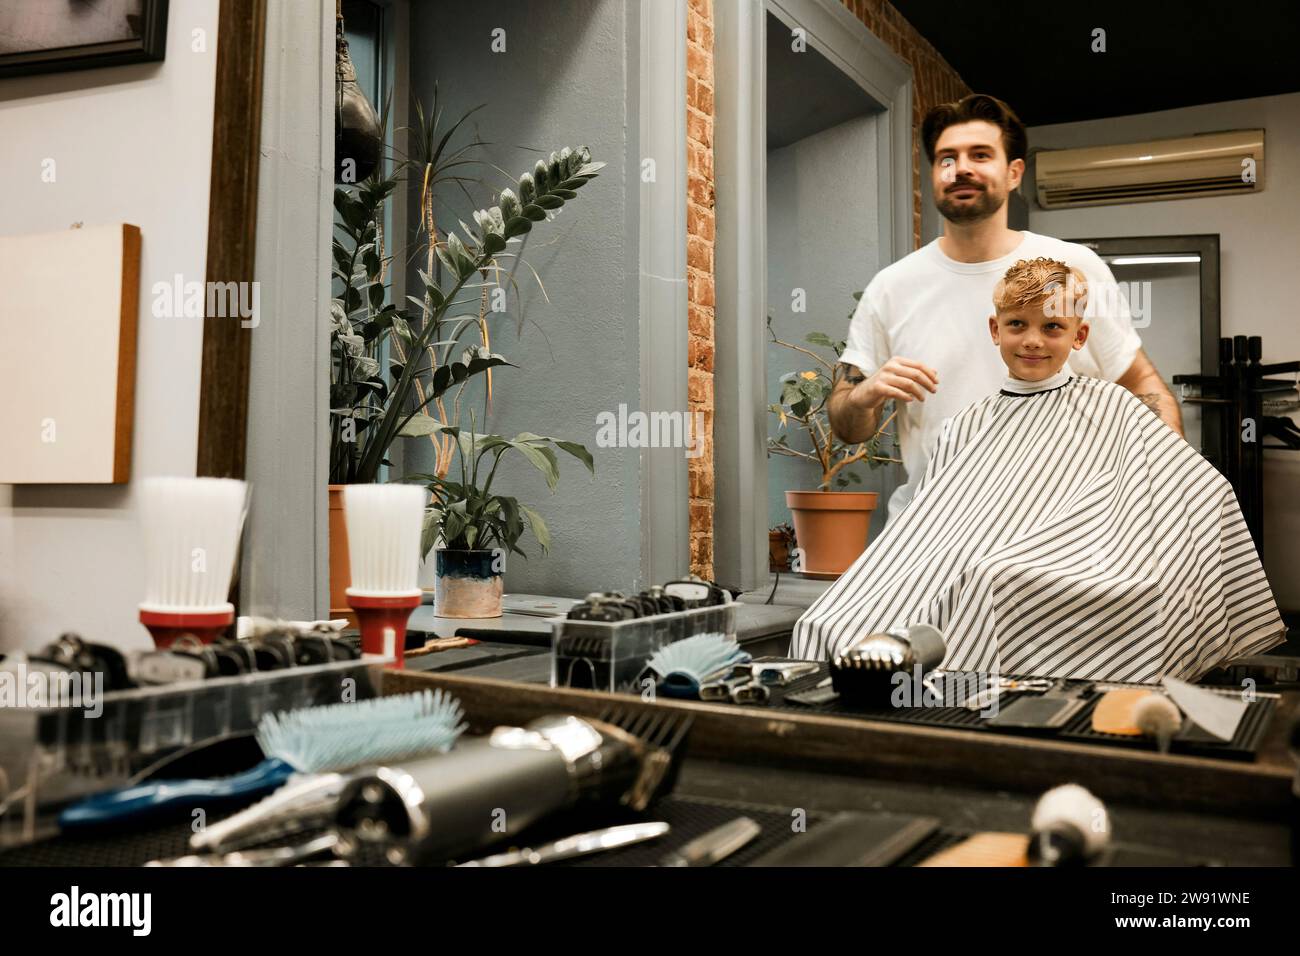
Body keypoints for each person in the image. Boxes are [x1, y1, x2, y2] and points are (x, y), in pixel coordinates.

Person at [790, 258, 1283, 683]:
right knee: (827, 622)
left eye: (1052, 327)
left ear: (1079, 335)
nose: (1033, 341)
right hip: (959, 570)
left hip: (1065, 569)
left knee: (991, 581)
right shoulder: (966, 425)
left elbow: (1199, 488)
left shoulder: (1113, 406)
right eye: (1018, 325)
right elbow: (931, 529)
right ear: (995, 329)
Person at [829, 93, 1183, 525]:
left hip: (1055, 535)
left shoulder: (1074, 268)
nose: (961, 168)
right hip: (929, 533)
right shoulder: (891, 287)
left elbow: (1141, 383)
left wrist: (1165, 490)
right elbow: (848, 427)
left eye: (980, 155)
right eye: (946, 158)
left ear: (1014, 172)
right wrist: (865, 395)